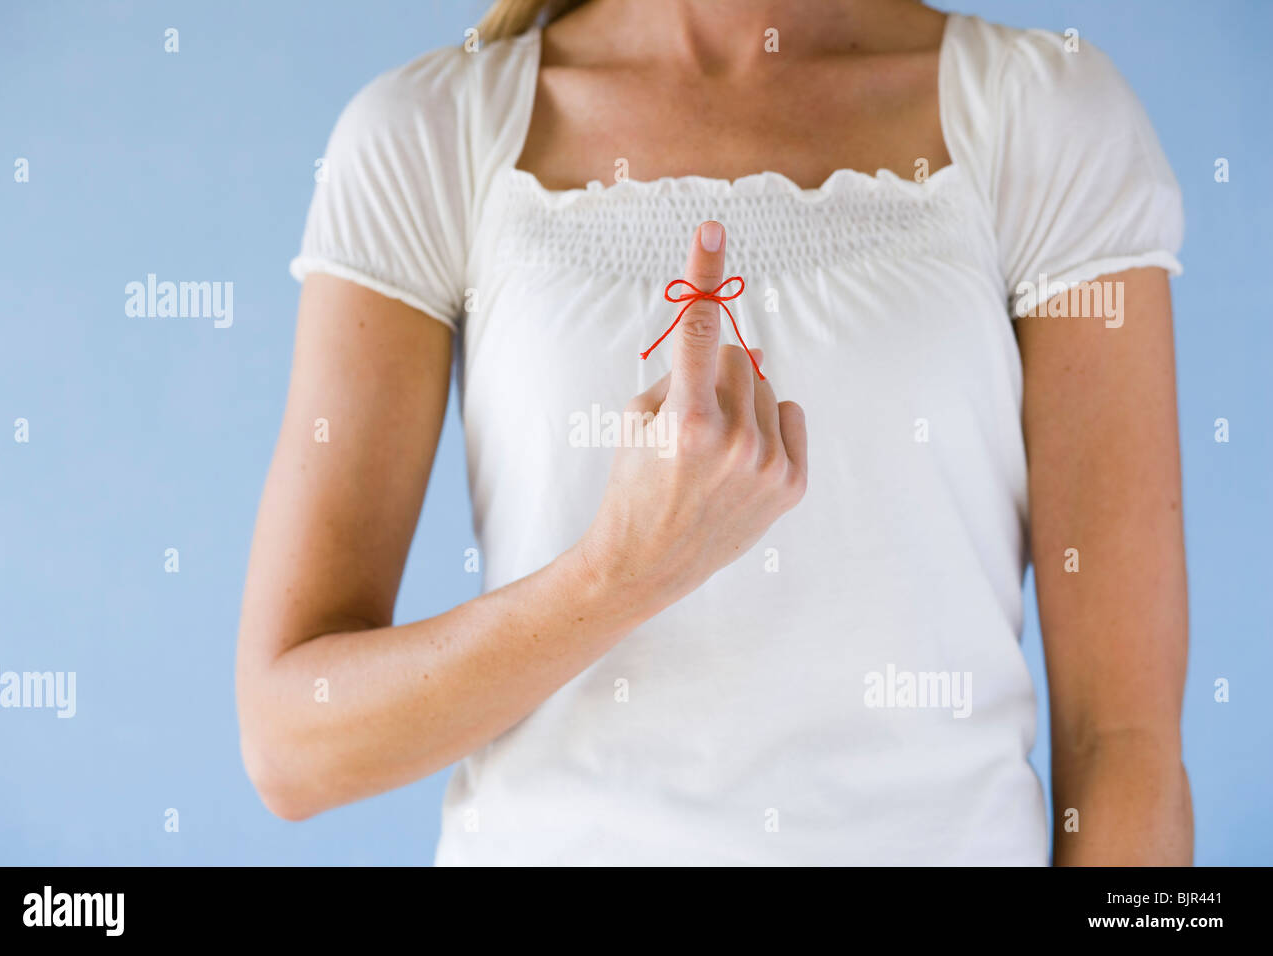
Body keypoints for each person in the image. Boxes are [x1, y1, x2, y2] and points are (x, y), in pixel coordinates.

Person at [236, 0, 1191, 865]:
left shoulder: (1049, 114)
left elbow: (1123, 745)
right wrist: (621, 574)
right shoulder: (429, 134)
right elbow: (291, 747)